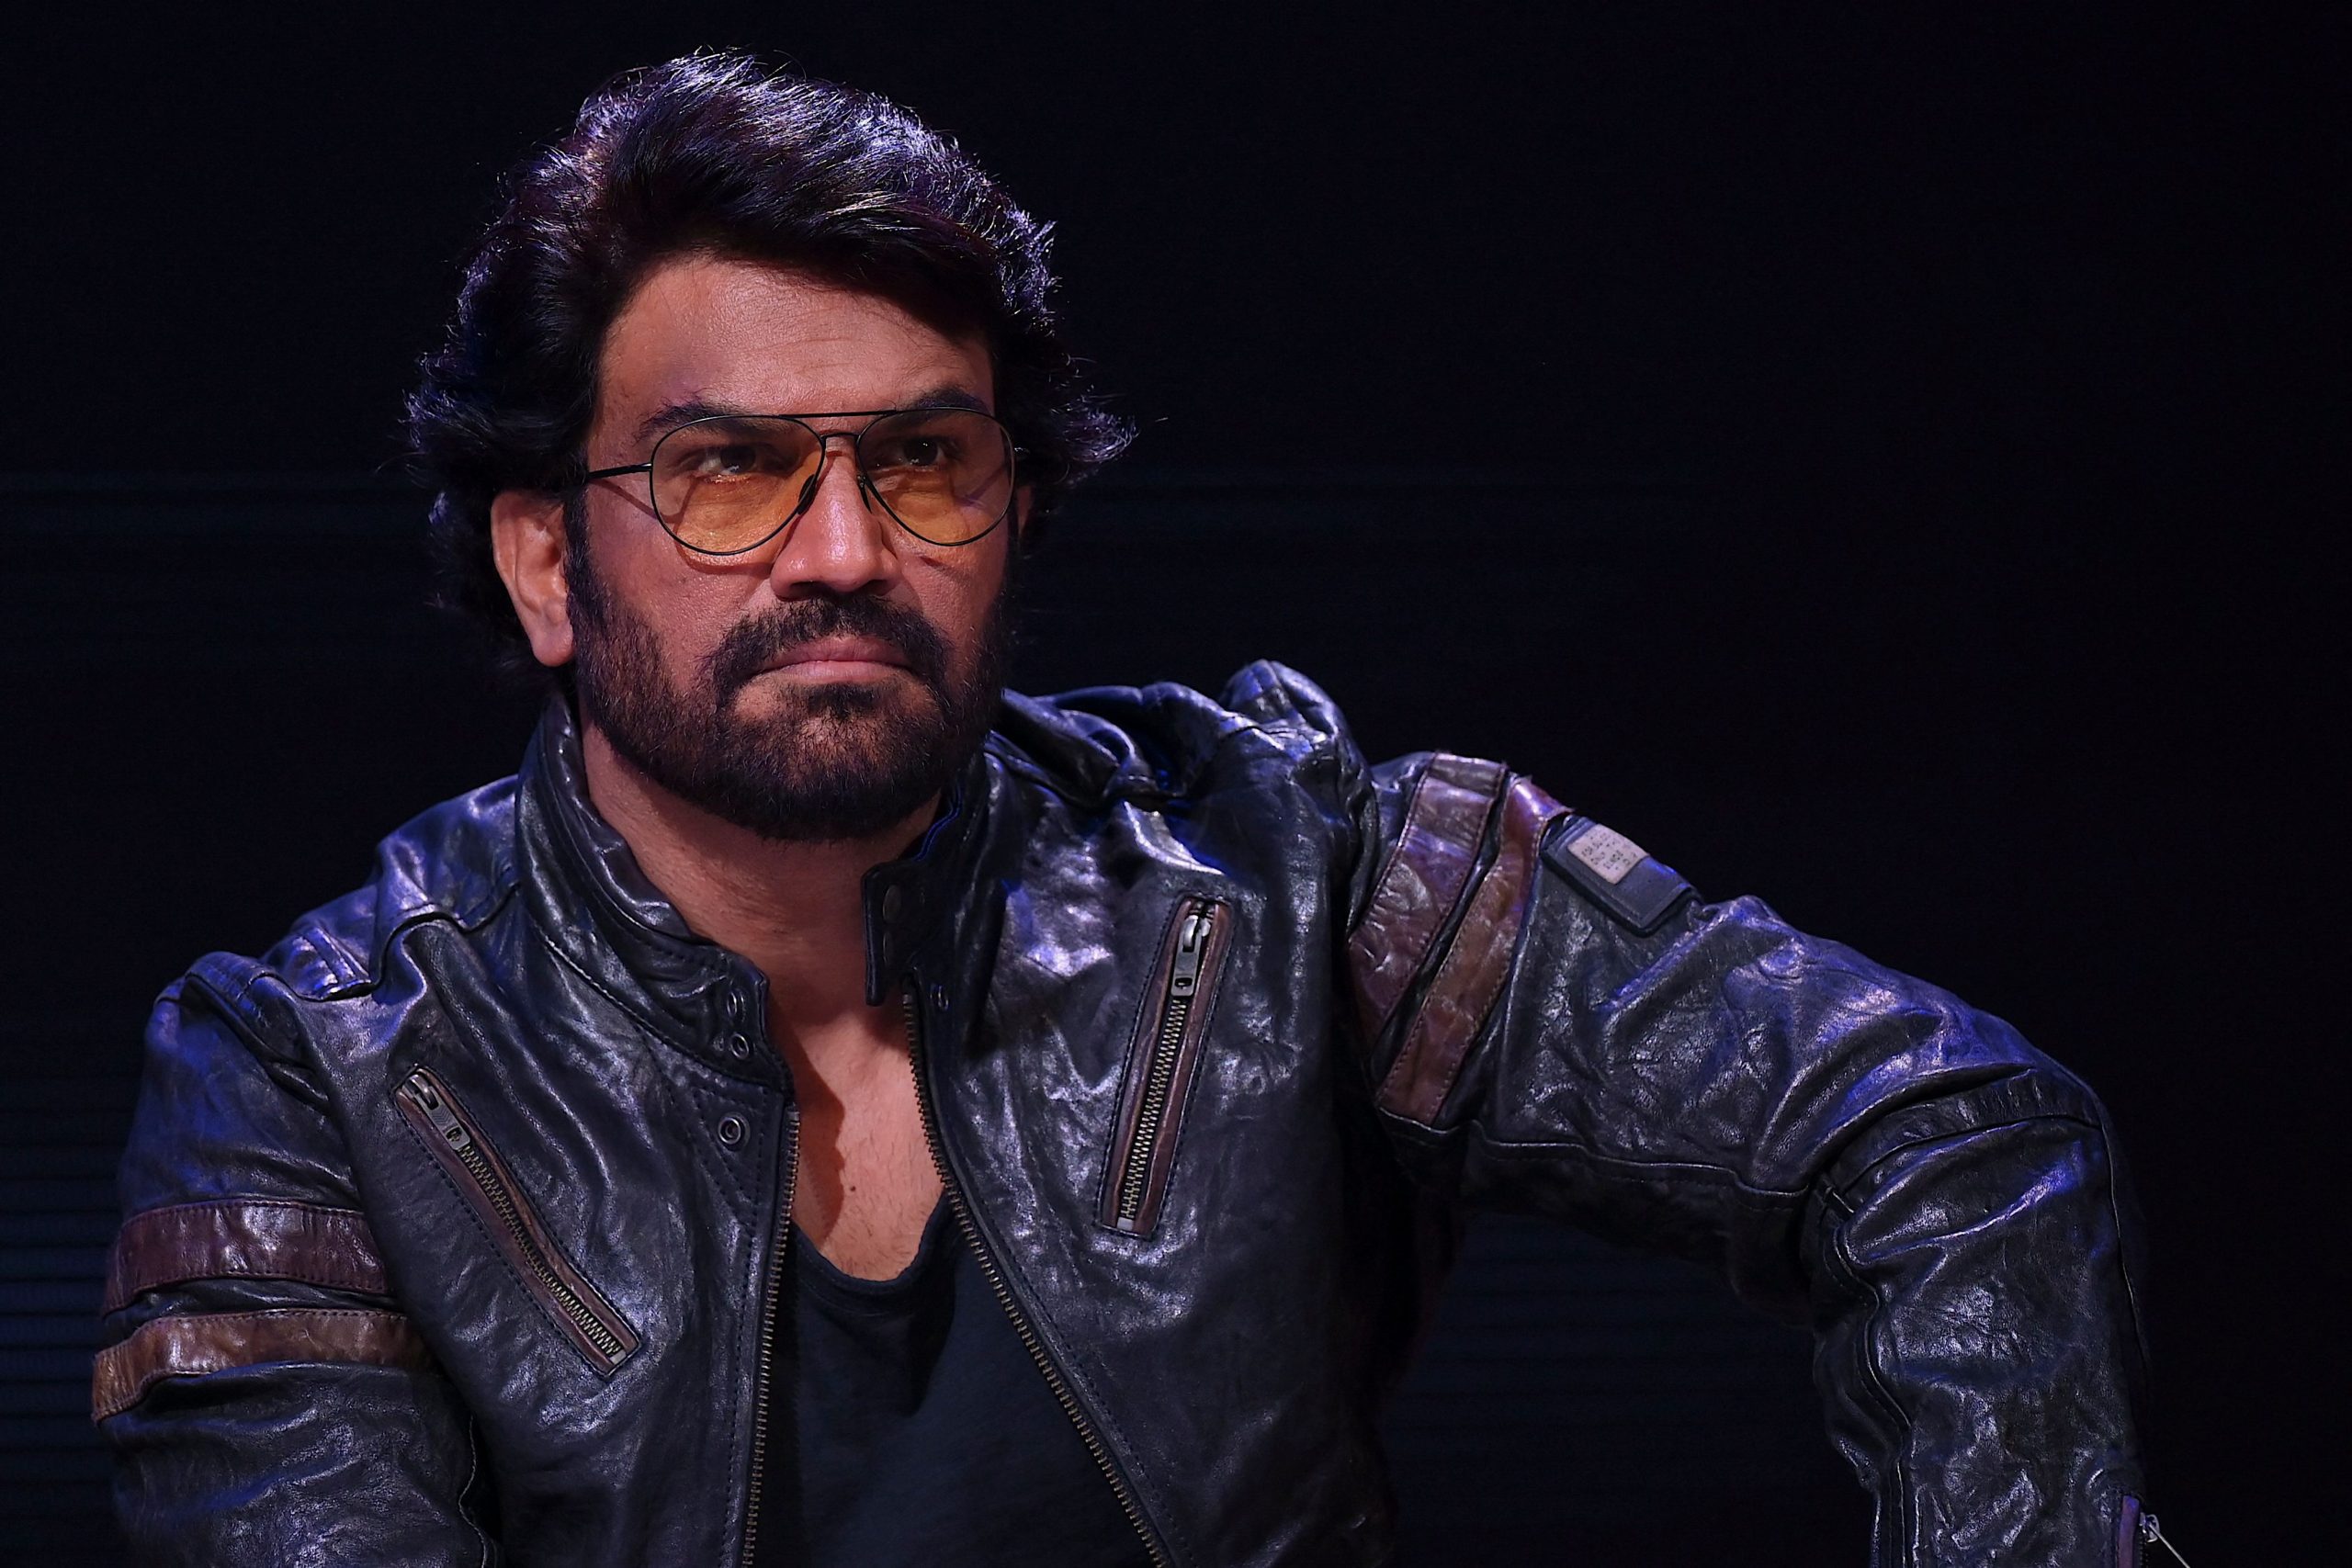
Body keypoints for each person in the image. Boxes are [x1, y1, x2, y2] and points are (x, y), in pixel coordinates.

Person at [95, 53, 2151, 1567]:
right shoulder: (314, 1080)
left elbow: (1946, 1130)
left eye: (924, 461)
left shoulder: (1287, 864)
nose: (843, 551)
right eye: (730, 472)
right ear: (547, 560)